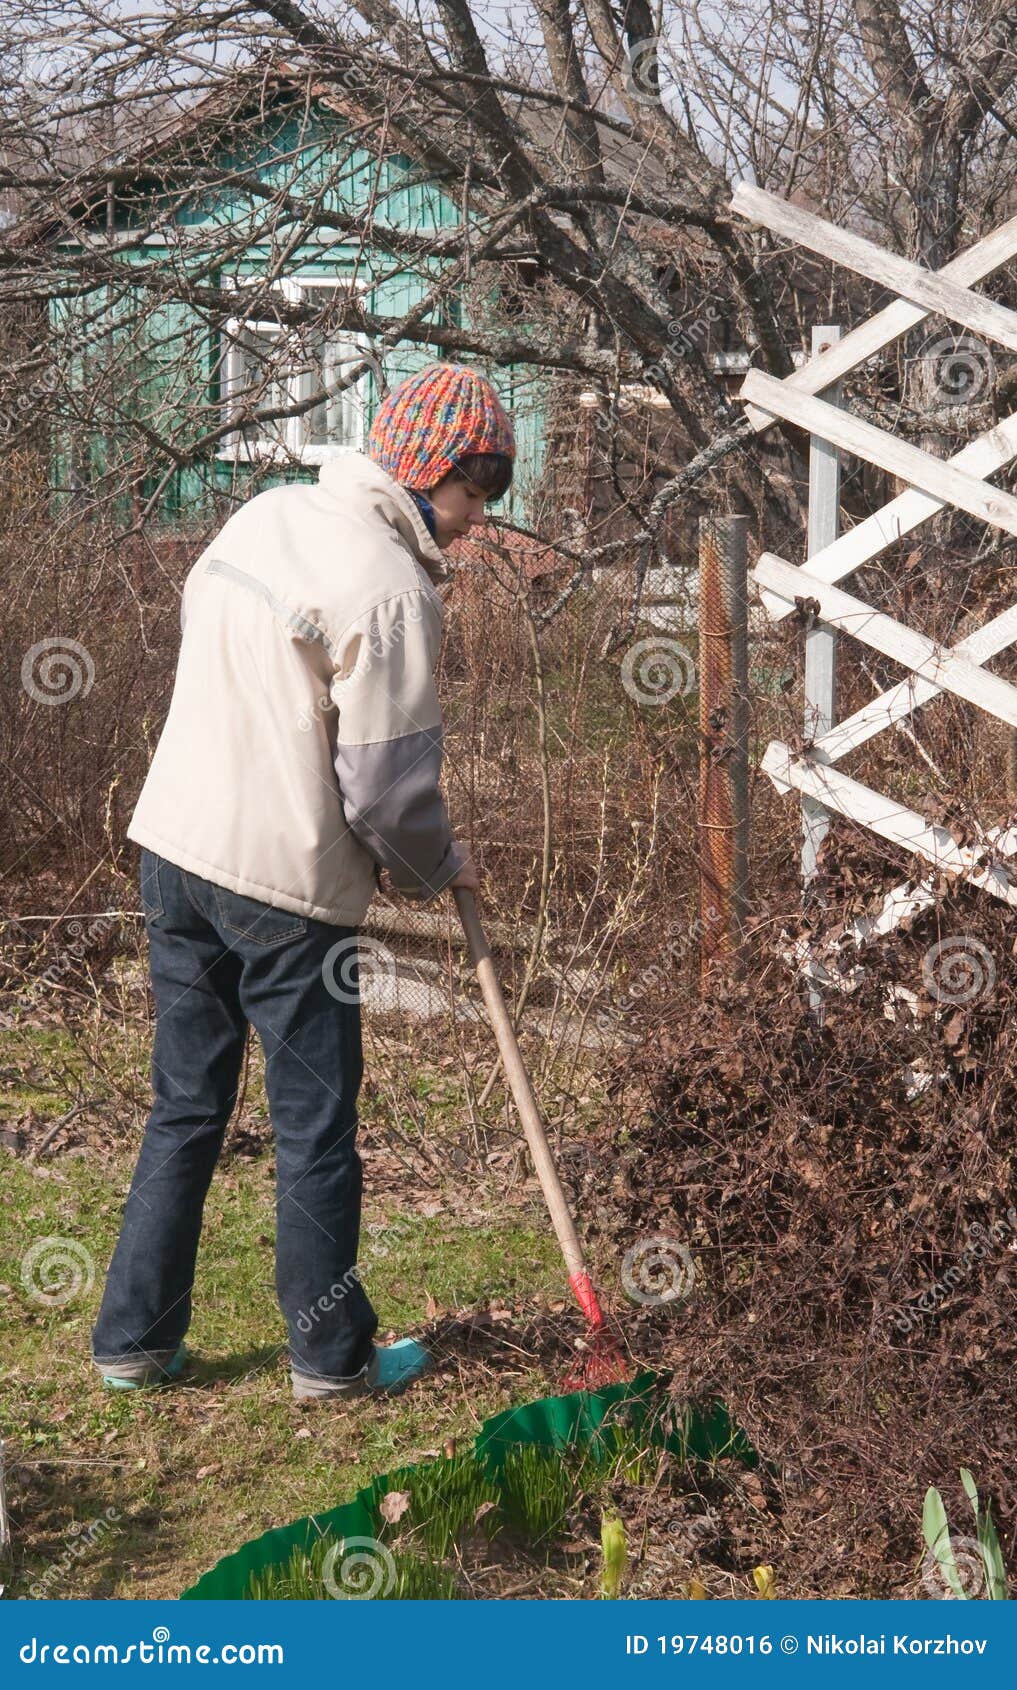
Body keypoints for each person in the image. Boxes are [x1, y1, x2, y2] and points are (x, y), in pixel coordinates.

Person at [90, 362, 515, 1400]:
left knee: (186, 1104)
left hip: (176, 849)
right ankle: (332, 1359)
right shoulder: (391, 587)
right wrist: (436, 866)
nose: (476, 523)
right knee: (314, 1124)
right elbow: (387, 793)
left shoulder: (263, 519)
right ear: (429, 476)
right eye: (476, 495)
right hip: (282, 883)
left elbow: (218, 648)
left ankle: (132, 1343)